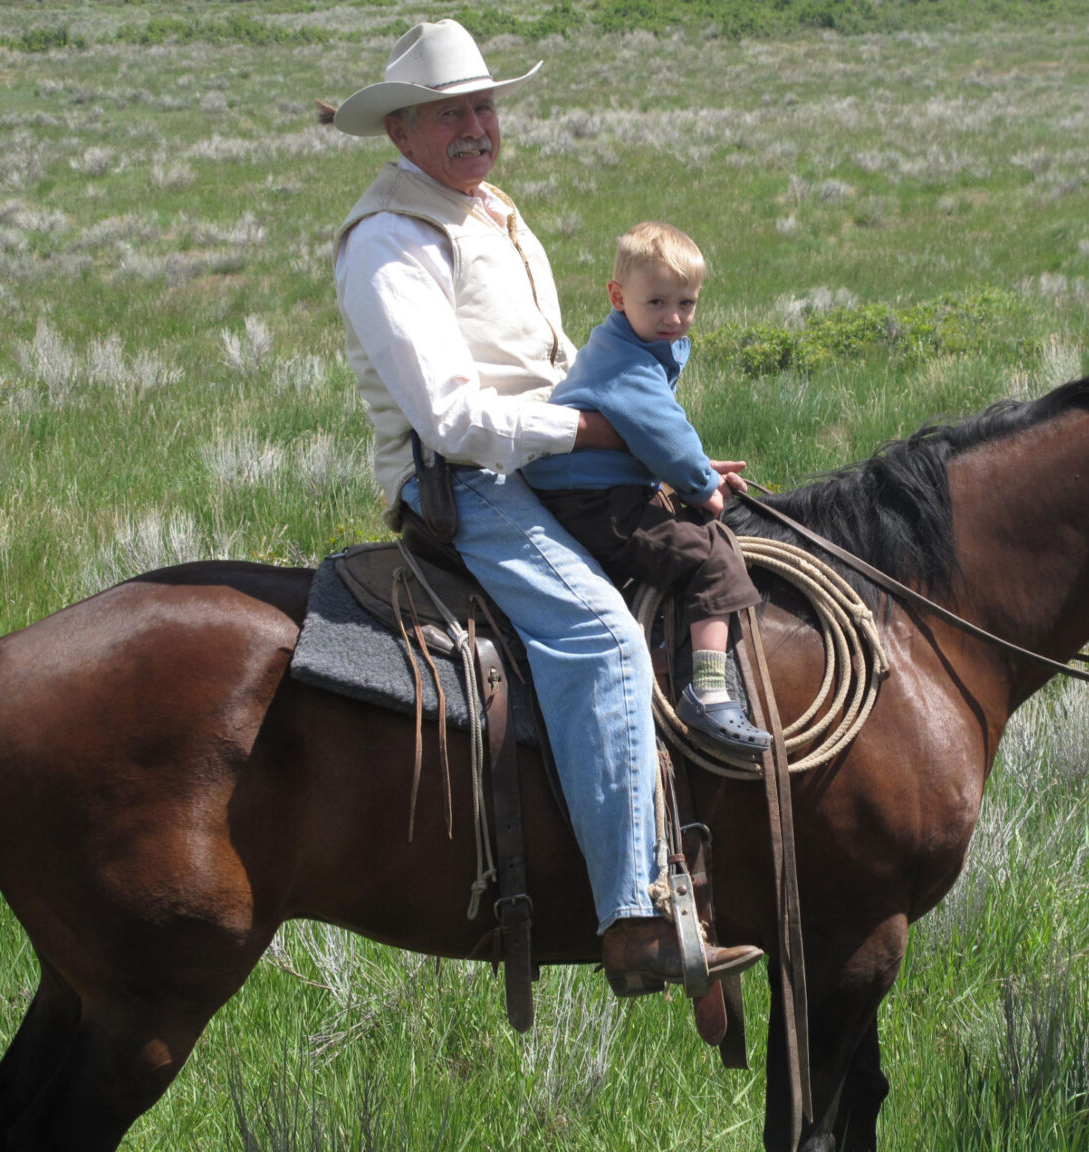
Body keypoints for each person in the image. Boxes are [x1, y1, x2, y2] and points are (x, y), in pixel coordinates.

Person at [327, 19, 761, 996]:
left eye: (485, 105)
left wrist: (653, 451)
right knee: (603, 636)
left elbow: (560, 368)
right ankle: (633, 918)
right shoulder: (389, 242)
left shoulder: (487, 212)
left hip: (540, 464)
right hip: (464, 484)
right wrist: (598, 441)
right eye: (452, 114)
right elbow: (452, 417)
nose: (478, 127)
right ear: (401, 132)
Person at [523, 222, 772, 755]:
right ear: (618, 296)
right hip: (594, 505)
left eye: (686, 303)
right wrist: (704, 485)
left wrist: (693, 467)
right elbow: (664, 434)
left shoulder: (627, 343)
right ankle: (708, 691)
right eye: (656, 301)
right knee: (711, 555)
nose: (674, 317)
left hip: (593, 489)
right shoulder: (629, 363)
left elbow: (652, 434)